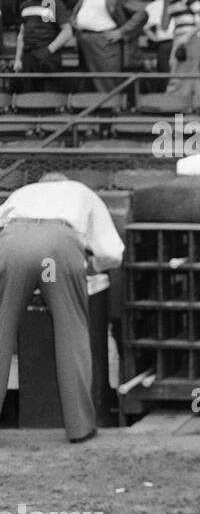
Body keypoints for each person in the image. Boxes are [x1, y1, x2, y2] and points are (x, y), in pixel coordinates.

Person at [0, 174, 125, 443]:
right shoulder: (82, 191)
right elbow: (112, 253)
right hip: (57, 249)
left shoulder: (22, 193)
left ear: (41, 183)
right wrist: (91, 267)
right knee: (71, 333)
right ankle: (80, 428)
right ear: (64, 181)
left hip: (12, 243)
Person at [71, 0, 146, 92]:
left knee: (107, 83)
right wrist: (74, 21)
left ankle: (112, 105)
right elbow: (78, 11)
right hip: (84, 41)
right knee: (86, 84)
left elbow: (141, 12)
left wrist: (122, 32)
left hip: (105, 43)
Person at [12, 0, 75, 89]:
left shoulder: (54, 2)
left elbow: (67, 31)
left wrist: (49, 50)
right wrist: (18, 59)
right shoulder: (25, 5)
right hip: (28, 56)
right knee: (28, 94)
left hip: (48, 55)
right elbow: (21, 34)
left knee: (49, 94)